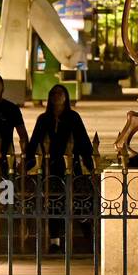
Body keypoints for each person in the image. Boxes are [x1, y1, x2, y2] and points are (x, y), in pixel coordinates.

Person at [25, 84, 94, 248]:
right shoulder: (43, 119)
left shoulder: (73, 117)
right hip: (50, 166)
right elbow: (34, 142)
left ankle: (89, 238)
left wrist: (91, 165)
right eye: (54, 93)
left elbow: (83, 142)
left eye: (60, 93)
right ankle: (54, 241)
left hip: (70, 165)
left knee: (78, 200)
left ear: (66, 97)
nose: (57, 96)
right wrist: (28, 163)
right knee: (53, 201)